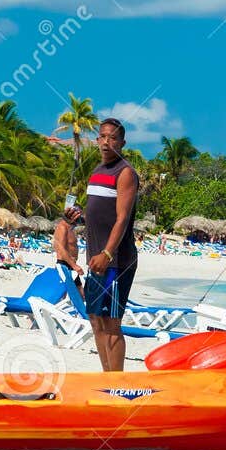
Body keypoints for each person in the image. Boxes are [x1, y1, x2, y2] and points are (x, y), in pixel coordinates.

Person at [83, 118, 140, 372]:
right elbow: (98, 214)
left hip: (116, 260)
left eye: (113, 138)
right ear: (97, 140)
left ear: (122, 143)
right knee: (95, 319)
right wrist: (77, 217)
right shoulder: (96, 171)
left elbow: (122, 218)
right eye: (102, 137)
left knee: (111, 323)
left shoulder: (125, 172)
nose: (107, 142)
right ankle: (106, 378)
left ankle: (116, 382)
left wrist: (107, 252)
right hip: (95, 259)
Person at [54, 198, 84, 286]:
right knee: (70, 294)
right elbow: (61, 248)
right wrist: (74, 266)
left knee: (79, 296)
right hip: (64, 265)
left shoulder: (70, 228)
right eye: (78, 215)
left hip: (71, 265)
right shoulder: (62, 227)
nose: (79, 218)